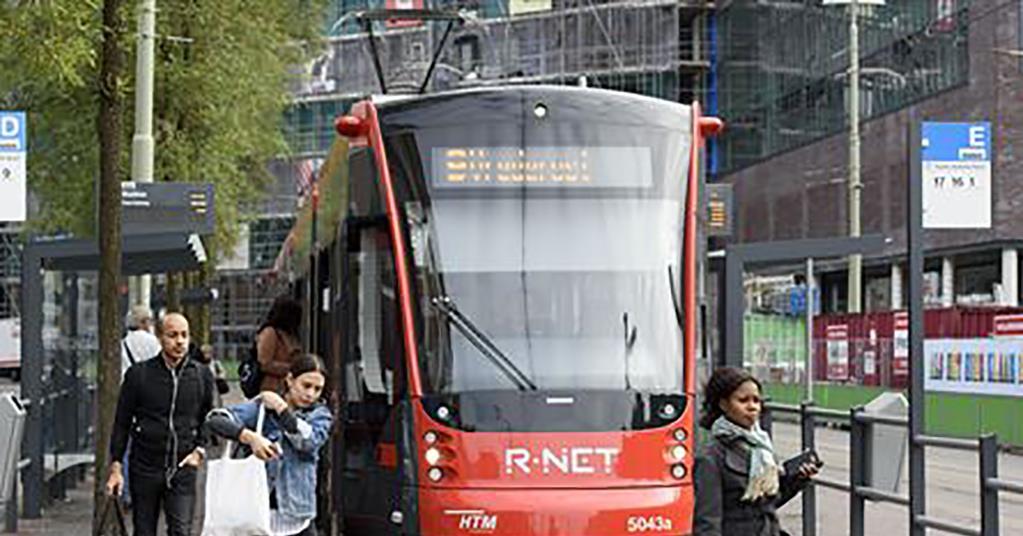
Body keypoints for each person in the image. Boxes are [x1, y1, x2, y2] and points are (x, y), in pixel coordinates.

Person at [106, 312, 216, 536]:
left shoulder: (201, 375)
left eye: (184, 335)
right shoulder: (139, 375)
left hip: (183, 466)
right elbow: (122, 422)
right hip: (145, 467)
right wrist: (116, 467)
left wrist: (199, 451)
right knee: (144, 530)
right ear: (159, 337)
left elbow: (208, 416)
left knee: (181, 531)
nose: (180, 341)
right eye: (172, 335)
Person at [205, 353, 333, 536]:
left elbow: (307, 441)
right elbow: (215, 420)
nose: (310, 394)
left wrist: (281, 408)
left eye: (317, 389)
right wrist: (250, 437)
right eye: (306, 385)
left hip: (298, 515)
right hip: (256, 510)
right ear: (290, 380)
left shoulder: (320, 415)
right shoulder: (263, 409)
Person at [693, 367, 819, 536]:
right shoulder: (711, 458)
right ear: (723, 404)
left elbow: (767, 503)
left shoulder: (762, 449)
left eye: (756, 400)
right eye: (743, 400)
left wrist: (797, 479)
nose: (752, 407)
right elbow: (707, 524)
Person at [257, 296, 303, 392]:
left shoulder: (291, 334)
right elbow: (265, 363)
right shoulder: (270, 333)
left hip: (290, 386)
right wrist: (292, 368)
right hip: (273, 386)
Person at [121, 305, 161, 379]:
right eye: (150, 320)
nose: (152, 324)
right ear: (143, 322)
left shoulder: (123, 342)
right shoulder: (151, 340)